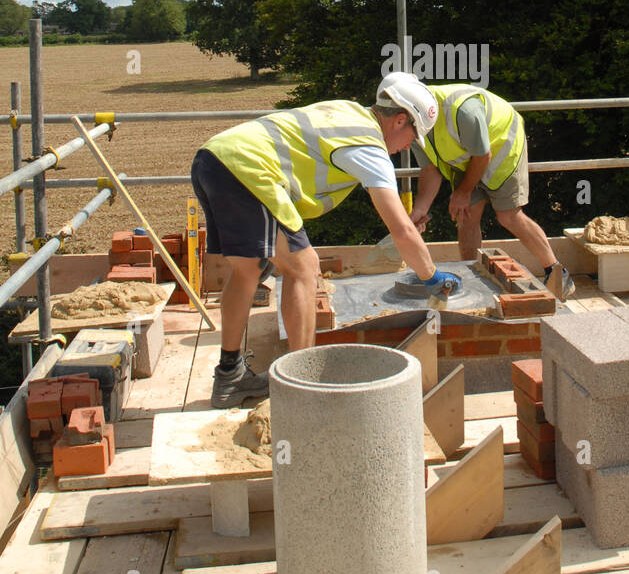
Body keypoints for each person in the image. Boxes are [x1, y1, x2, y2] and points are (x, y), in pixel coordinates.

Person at [191, 73, 460, 407]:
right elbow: (402, 231)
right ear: (399, 120)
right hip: (248, 171)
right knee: (304, 268)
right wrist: (431, 276)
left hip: (214, 159)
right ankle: (300, 388)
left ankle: (229, 378)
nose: (408, 146)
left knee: (247, 272)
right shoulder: (370, 146)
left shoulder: (348, 111)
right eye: (412, 136)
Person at [408, 83, 575, 298]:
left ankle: (558, 274)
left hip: (501, 149)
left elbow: (483, 156)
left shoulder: (462, 110)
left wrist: (464, 191)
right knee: (466, 215)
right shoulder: (412, 125)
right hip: (469, 157)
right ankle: (471, 281)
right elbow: (430, 170)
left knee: (508, 216)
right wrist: (420, 209)